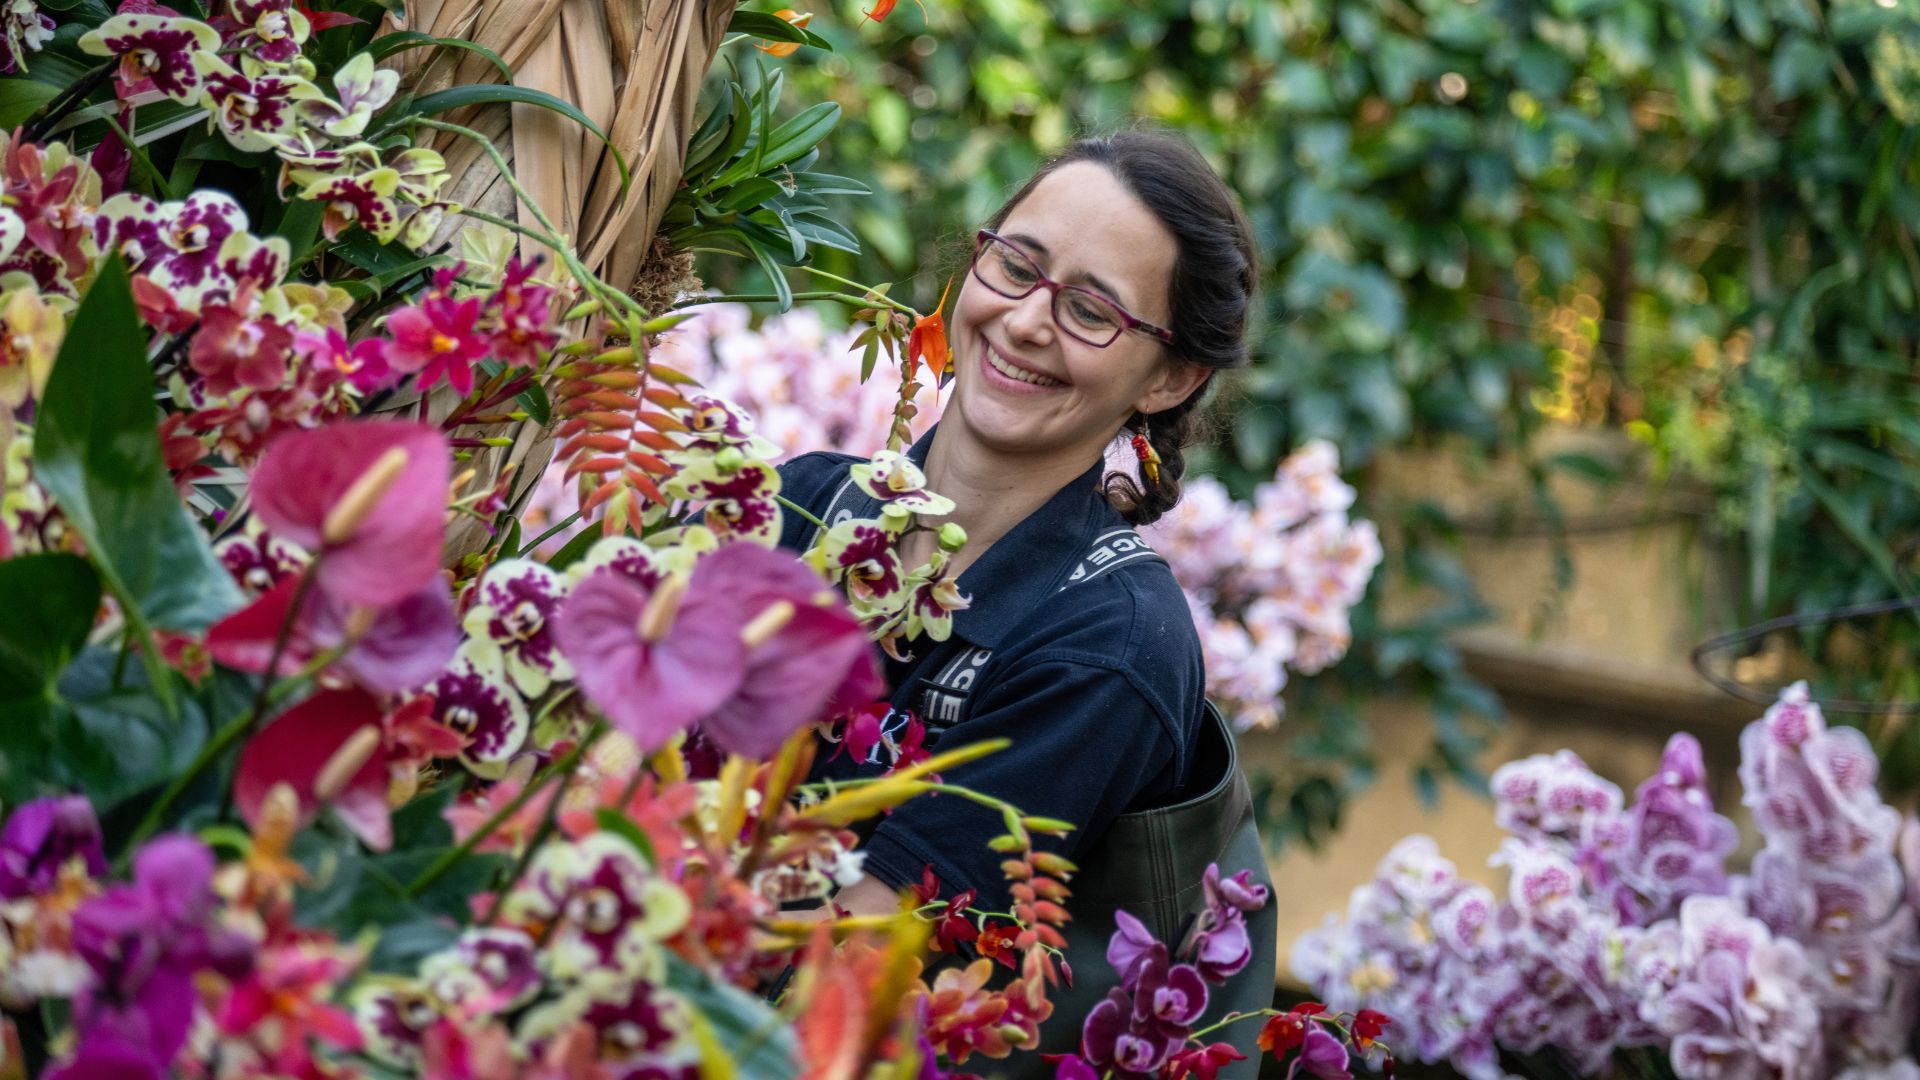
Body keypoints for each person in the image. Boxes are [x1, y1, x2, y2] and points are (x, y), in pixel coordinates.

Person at [773, 129, 1274, 1065]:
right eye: (1016, 264)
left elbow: (853, 955)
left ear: (1170, 376)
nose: (1026, 321)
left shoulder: (1112, 645)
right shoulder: (803, 502)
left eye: (1091, 311)